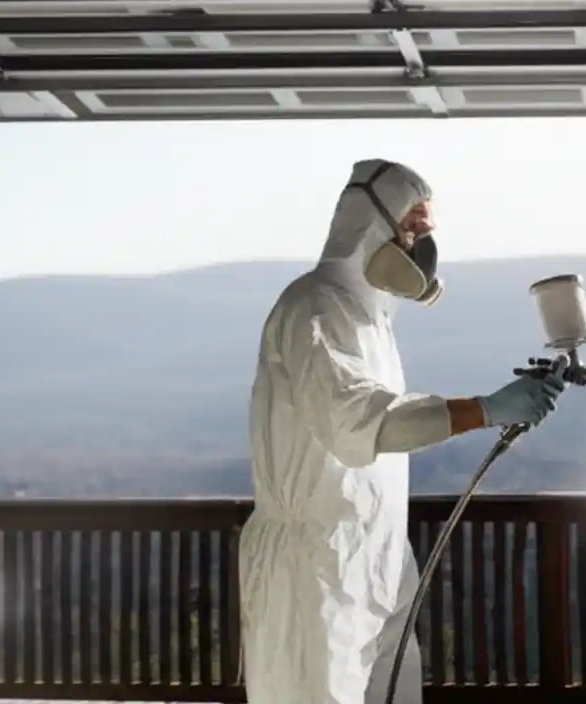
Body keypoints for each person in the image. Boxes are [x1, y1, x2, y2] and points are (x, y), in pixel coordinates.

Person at [238, 158, 566, 704]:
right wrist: (484, 409)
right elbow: (358, 421)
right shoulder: (313, 307)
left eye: (425, 231)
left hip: (377, 553)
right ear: (371, 224)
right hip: (313, 567)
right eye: (411, 226)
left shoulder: (369, 317)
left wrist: (492, 408)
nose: (420, 244)